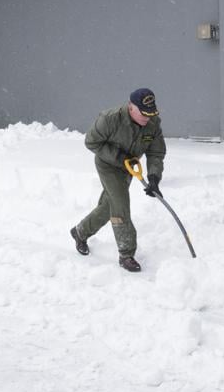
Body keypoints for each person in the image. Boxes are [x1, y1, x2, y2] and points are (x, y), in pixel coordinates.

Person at [70, 88, 166, 272]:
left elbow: (156, 152)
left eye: (151, 113)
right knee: (120, 203)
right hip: (108, 164)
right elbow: (91, 141)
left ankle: (80, 232)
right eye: (144, 113)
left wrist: (154, 177)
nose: (148, 118)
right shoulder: (110, 119)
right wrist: (119, 157)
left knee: (109, 206)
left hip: (128, 166)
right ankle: (126, 254)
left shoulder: (152, 123)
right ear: (131, 107)